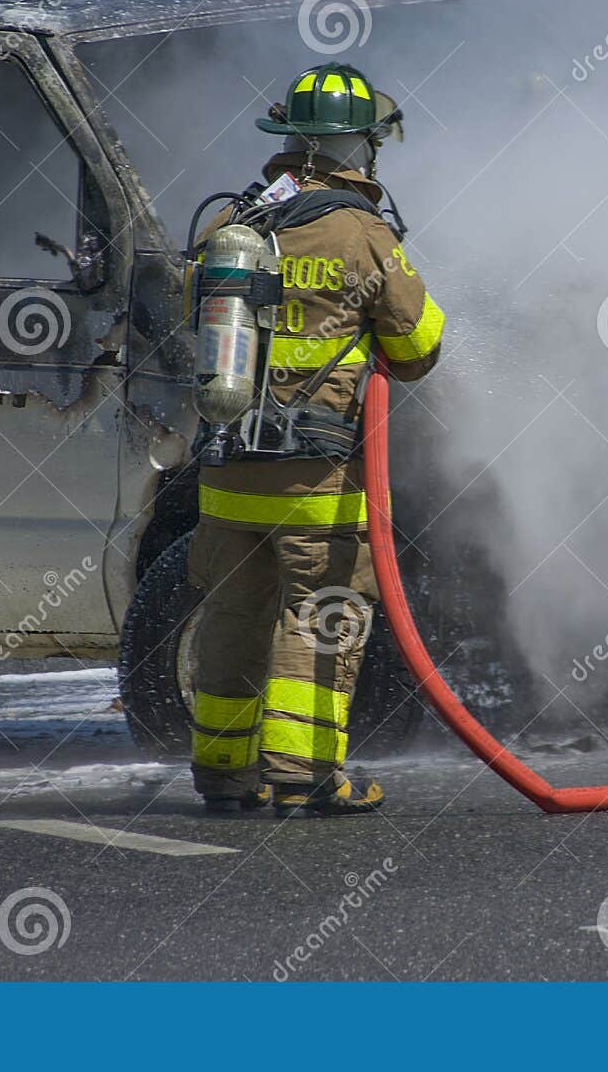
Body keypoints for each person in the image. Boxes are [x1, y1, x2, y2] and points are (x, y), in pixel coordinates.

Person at [188, 63, 445, 818]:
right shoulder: (361, 234)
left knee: (233, 619)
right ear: (358, 148)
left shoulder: (232, 226)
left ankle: (223, 775)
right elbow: (418, 347)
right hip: (317, 479)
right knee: (318, 612)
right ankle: (304, 774)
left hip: (227, 470)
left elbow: (193, 322)